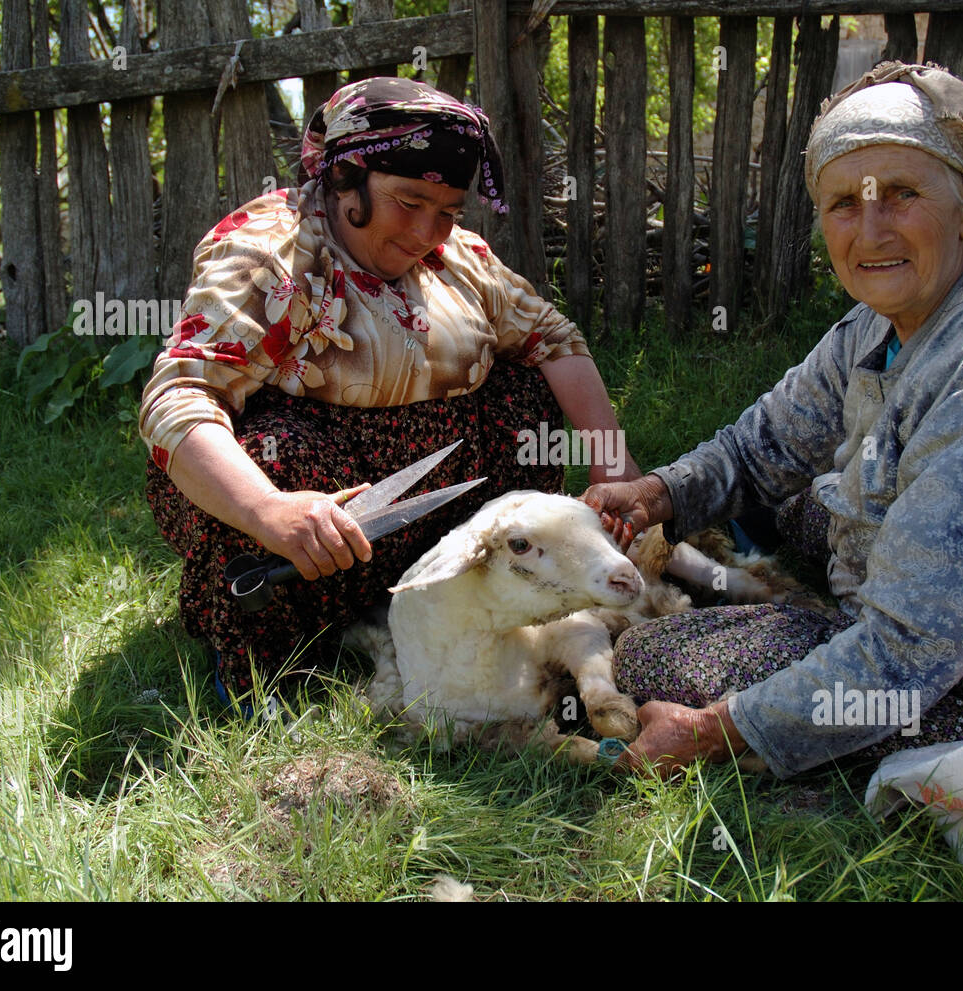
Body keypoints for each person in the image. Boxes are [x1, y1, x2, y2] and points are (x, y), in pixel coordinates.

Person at [583, 62, 963, 778]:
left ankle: (941, 720)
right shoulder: (881, 323)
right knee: (801, 497)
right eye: (844, 202)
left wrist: (713, 730)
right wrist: (658, 496)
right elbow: (764, 444)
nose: (870, 231)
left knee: (657, 655)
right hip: (952, 586)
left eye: (901, 194)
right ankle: (819, 641)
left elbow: (907, 650)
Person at [141, 77, 638, 701]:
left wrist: (614, 467)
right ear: (347, 176)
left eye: (448, 211)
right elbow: (179, 396)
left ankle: (465, 599)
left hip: (442, 489)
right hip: (321, 500)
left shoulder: (460, 259)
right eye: (407, 202)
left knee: (522, 396)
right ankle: (278, 645)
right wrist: (269, 510)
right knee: (273, 451)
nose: (428, 232)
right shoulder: (270, 255)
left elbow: (552, 338)